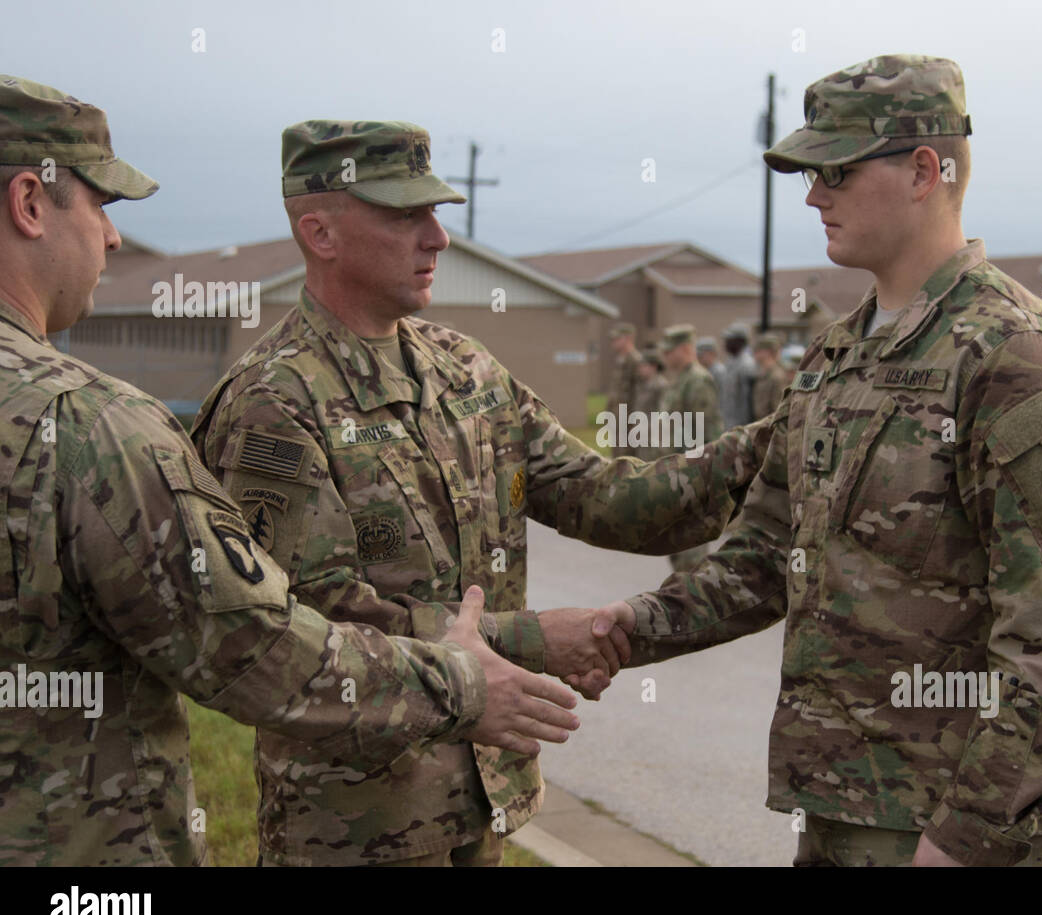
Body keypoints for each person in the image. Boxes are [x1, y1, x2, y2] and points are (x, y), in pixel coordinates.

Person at [0, 75, 580, 866]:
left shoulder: (459, 365)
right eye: (100, 204)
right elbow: (257, 648)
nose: (112, 239)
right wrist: (467, 686)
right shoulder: (87, 427)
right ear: (30, 203)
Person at [586, 54, 1042, 866]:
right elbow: (766, 558)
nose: (812, 195)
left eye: (834, 169)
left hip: (942, 831)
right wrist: (622, 629)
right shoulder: (842, 357)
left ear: (921, 172)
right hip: (843, 807)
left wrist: (971, 838)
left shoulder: (1010, 356)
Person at [190, 121, 767, 867]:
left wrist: (775, 442)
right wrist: (535, 640)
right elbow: (302, 623)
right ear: (321, 233)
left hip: (479, 796)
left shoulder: (466, 372)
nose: (438, 239)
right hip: (356, 823)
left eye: (436, 213)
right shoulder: (276, 403)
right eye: (405, 216)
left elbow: (610, 498)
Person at [656, 323, 725, 572]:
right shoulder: (680, 381)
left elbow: (706, 437)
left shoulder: (698, 381)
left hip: (690, 480)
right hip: (675, 478)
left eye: (669, 351)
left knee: (691, 561)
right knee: (678, 553)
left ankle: (693, 607)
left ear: (685, 349)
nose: (664, 356)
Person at [606, 322, 640, 456]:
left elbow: (638, 393)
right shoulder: (620, 360)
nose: (613, 343)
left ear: (628, 339)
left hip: (629, 421)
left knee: (628, 458)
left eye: (616, 339)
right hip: (617, 417)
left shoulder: (635, 361)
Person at [631, 345, 668, 462]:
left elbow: (664, 414)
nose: (640, 369)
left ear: (653, 366)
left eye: (643, 365)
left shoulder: (661, 385)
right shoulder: (641, 384)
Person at [718, 321, 757, 428]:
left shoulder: (747, 365)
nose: (725, 343)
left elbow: (747, 403)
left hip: (741, 428)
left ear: (740, 341)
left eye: (729, 340)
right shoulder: (730, 362)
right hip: (728, 425)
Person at [750, 332, 787, 419]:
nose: (754, 354)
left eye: (758, 351)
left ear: (767, 352)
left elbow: (778, 411)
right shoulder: (762, 374)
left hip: (770, 428)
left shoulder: (777, 376)